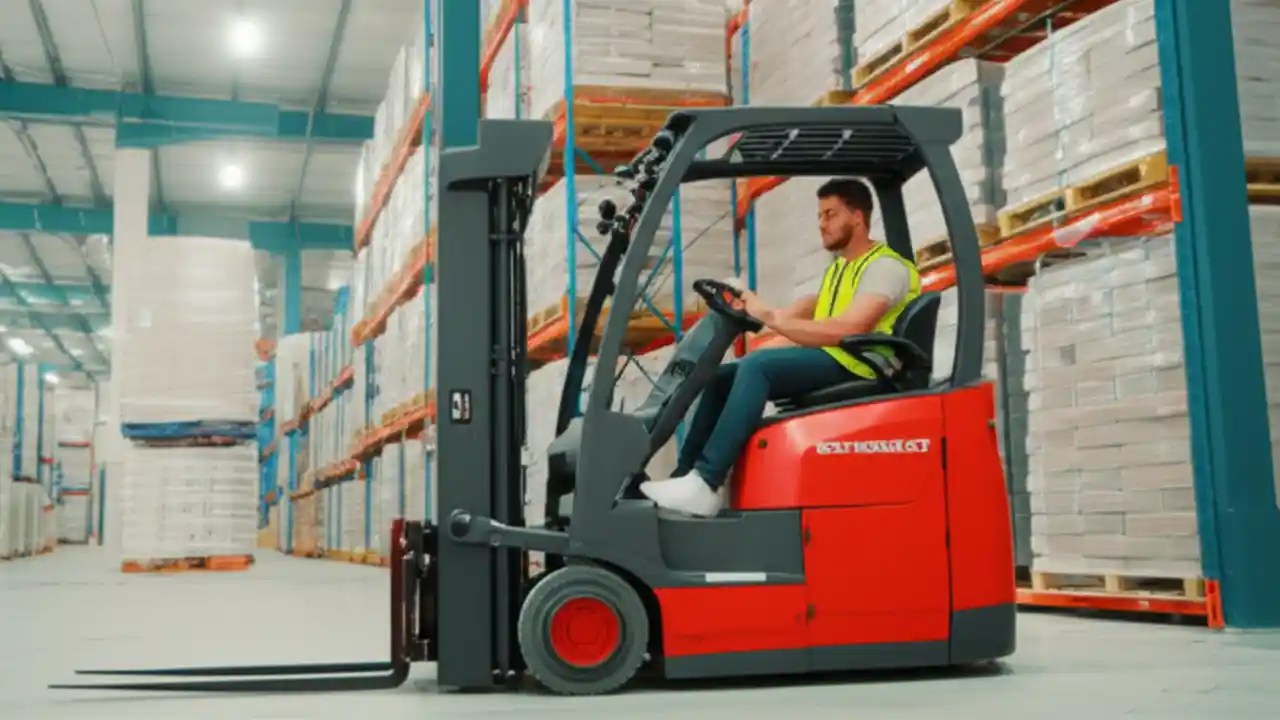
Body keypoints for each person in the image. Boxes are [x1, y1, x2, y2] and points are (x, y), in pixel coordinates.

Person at [639, 177, 921, 517]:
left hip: (863, 364)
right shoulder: (842, 270)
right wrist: (764, 323)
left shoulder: (885, 267)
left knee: (759, 368)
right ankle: (688, 478)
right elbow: (811, 314)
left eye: (831, 215)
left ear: (858, 217)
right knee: (721, 376)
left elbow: (850, 327)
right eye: (819, 215)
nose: (822, 224)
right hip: (842, 356)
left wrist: (770, 317)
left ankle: (707, 478)